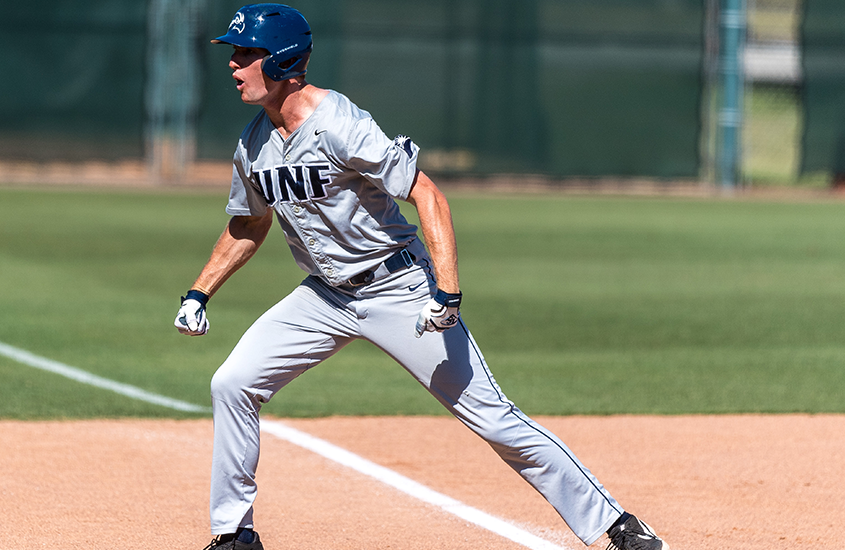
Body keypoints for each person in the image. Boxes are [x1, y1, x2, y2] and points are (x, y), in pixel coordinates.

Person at [175, 4, 671, 550]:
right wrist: (200, 292)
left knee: (492, 418)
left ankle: (616, 526)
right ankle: (234, 535)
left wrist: (447, 290)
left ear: (285, 61)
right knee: (233, 382)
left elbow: (426, 194)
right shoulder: (254, 142)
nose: (234, 65)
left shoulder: (340, 124)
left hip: (399, 288)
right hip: (323, 297)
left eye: (246, 55)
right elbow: (249, 221)